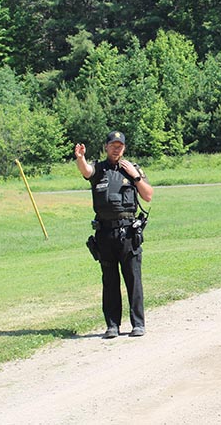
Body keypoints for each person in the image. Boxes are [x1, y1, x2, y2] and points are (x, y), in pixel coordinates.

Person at [75, 131, 155, 339]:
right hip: (105, 232)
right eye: (113, 145)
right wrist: (80, 158)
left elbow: (148, 196)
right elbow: (86, 171)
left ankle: (138, 324)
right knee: (109, 281)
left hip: (128, 231)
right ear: (106, 147)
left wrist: (135, 177)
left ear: (124, 148)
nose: (116, 148)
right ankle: (112, 326)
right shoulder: (99, 169)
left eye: (120, 145)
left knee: (133, 279)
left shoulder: (132, 169)